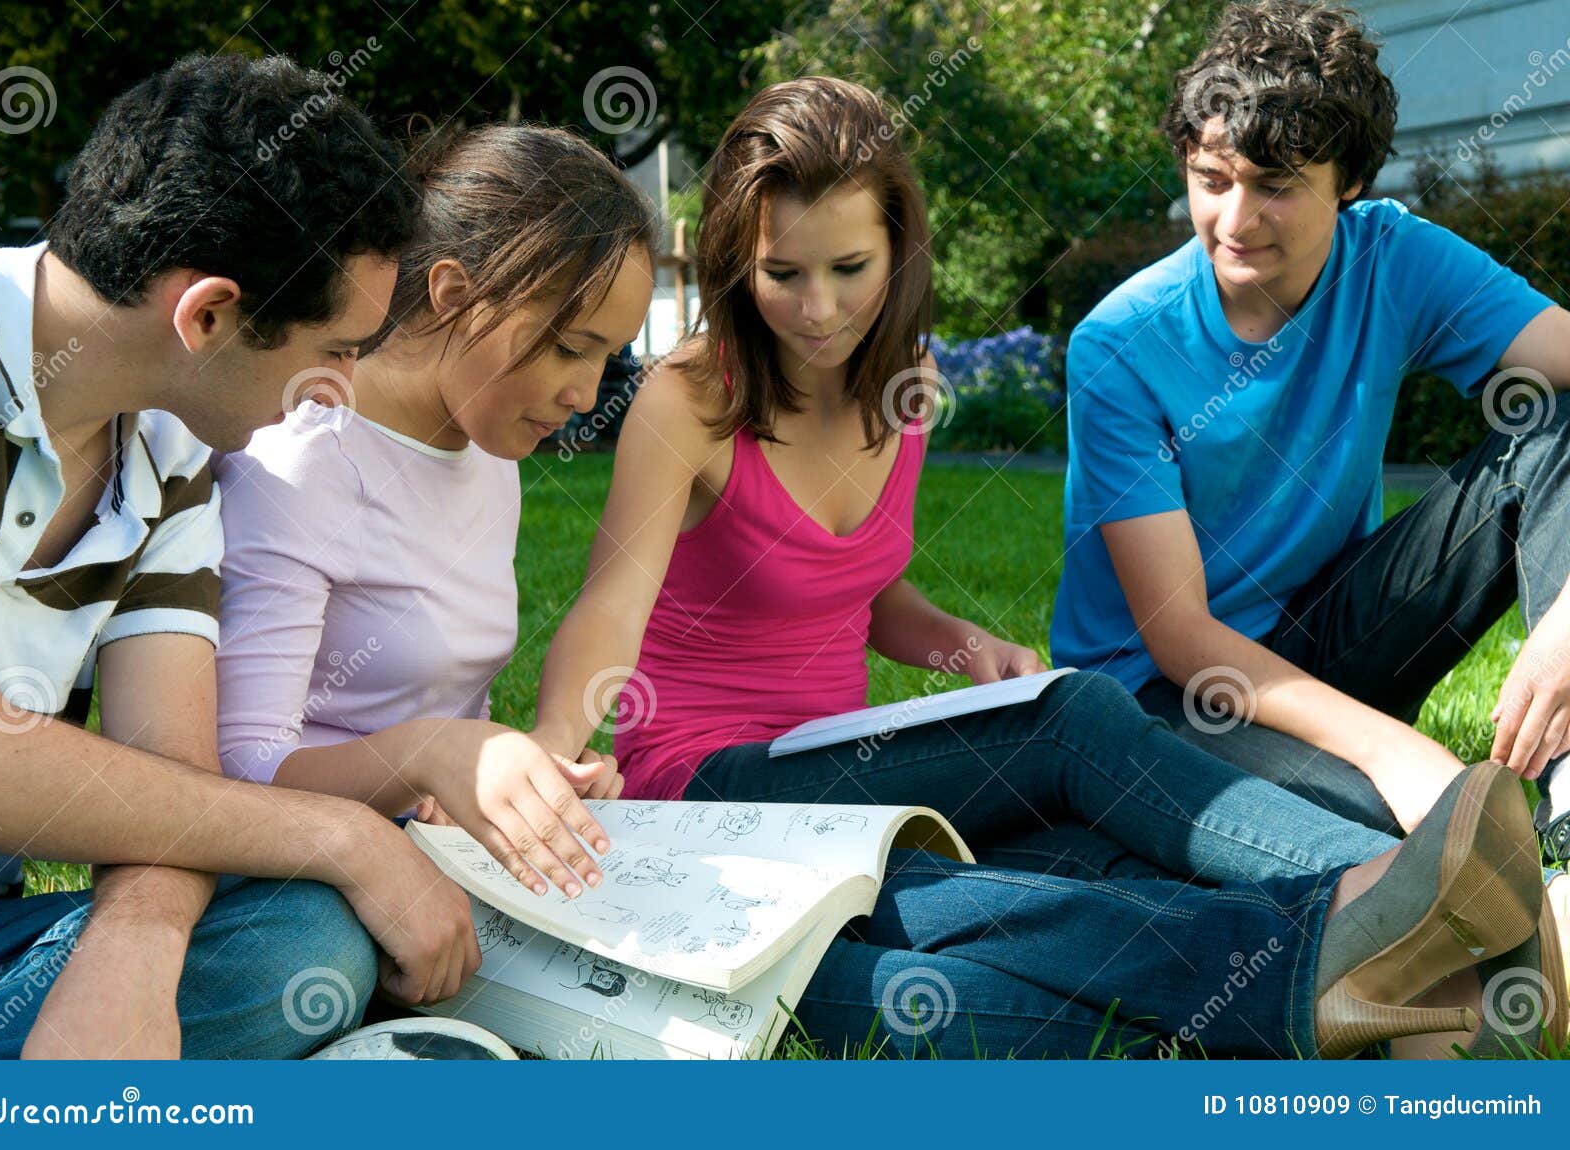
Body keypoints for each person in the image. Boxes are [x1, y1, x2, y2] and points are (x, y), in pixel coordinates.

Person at [512, 76, 1560, 1058]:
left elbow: (863, 595)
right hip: (707, 779)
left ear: (898, 252)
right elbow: (609, 606)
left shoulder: (901, 386)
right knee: (1072, 719)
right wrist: (552, 751)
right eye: (783, 274)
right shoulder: (691, 397)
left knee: (1064, 865)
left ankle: (1384, 984)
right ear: (738, 265)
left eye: (849, 270)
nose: (819, 309)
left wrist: (964, 646)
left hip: (842, 782)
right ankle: (1390, 903)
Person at [0, 54, 480, 1061]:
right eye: (336, 349)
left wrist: (137, 943)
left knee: (304, 944)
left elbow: (174, 777)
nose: (340, 391)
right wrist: (344, 833)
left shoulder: (167, 448)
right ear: (206, 315)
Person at [1052, 0, 1570, 850]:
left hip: (1323, 633)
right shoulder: (1121, 343)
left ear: (1350, 181)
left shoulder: (1392, 257)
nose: (1234, 222)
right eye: (1212, 180)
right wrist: (1394, 750)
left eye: (1276, 186)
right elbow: (1179, 637)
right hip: (1162, 697)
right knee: (1401, 836)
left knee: (1553, 428)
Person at [214, 123, 657, 904]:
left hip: (448, 859)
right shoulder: (301, 464)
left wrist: (526, 774)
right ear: (454, 295)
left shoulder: (489, 452)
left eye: (608, 356)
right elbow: (241, 769)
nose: (587, 394)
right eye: (567, 347)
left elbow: (452, 730)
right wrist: (427, 760)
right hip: (304, 884)